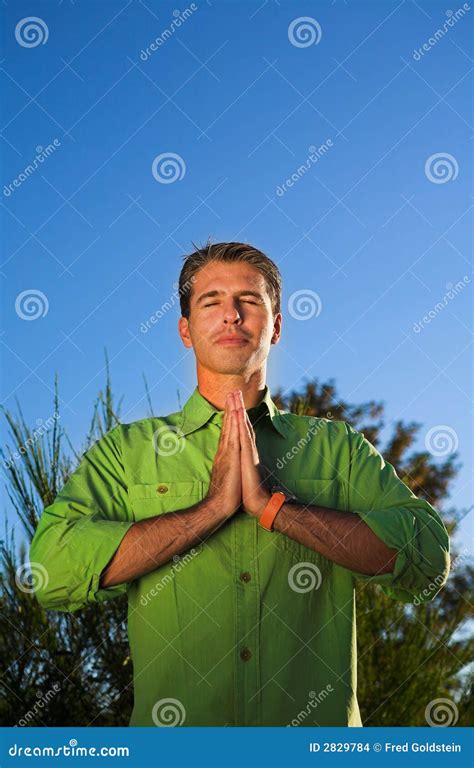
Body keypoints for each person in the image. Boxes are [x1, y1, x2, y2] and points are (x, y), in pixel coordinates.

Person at [29, 240, 450, 727]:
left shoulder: (338, 449)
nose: (231, 315)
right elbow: (50, 571)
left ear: (275, 325)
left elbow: (426, 561)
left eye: (248, 301)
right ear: (186, 330)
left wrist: (274, 509)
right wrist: (208, 511)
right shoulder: (127, 451)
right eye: (211, 302)